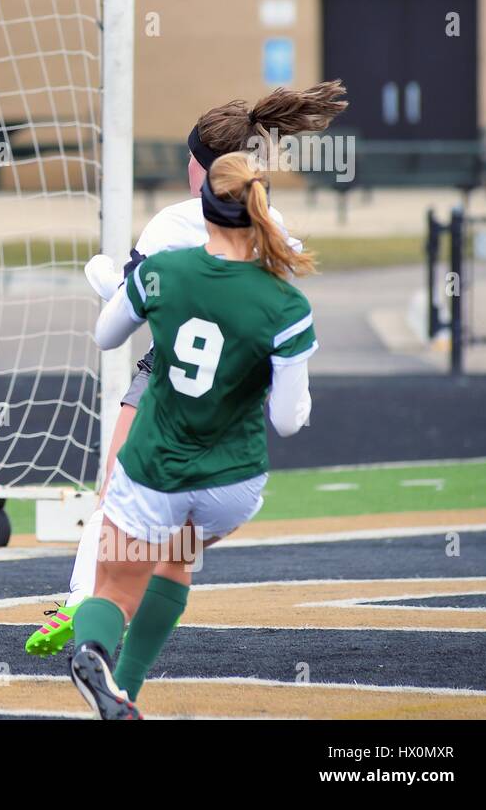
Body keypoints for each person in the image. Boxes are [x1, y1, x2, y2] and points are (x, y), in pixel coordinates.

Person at [26, 80, 346, 657]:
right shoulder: (278, 229)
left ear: (206, 169)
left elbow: (125, 310)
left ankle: (83, 600)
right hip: (236, 388)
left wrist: (102, 274)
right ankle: (117, 614)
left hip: (169, 368)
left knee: (117, 491)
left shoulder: (173, 224)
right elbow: (279, 336)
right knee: (177, 544)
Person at [69, 151, 318, 718]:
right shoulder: (286, 302)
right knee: (175, 557)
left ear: (201, 209)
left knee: (111, 588)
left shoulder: (164, 272)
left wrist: (118, 284)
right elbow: (287, 418)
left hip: (156, 467)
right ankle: (125, 693)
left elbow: (107, 336)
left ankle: (91, 652)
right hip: (232, 483)